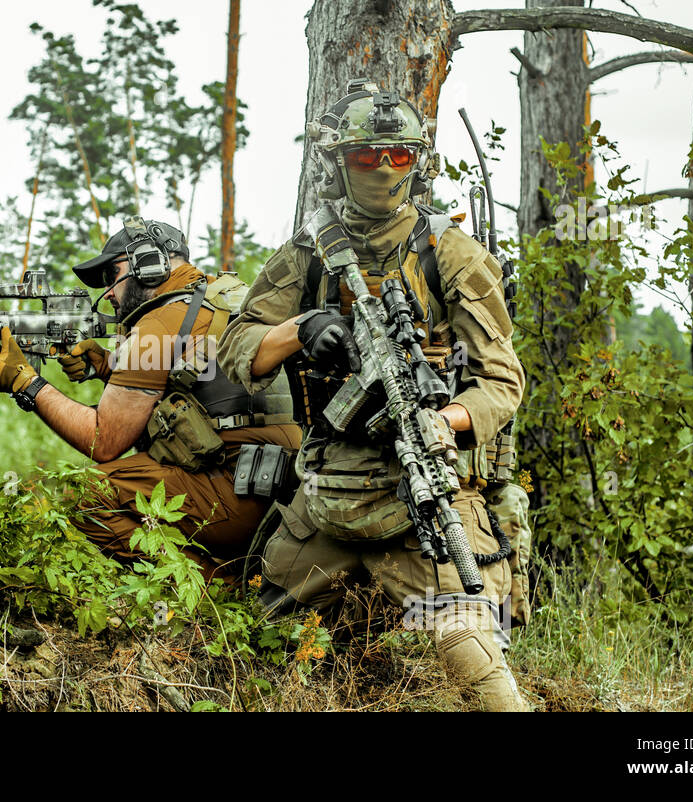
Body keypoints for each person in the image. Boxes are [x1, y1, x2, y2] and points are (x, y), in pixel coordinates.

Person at [215, 80, 530, 710]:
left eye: (399, 157)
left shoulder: (450, 254)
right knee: (252, 646)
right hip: (331, 489)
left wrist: (448, 421)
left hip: (422, 487)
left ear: (419, 163)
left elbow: (503, 380)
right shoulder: (308, 255)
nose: (383, 169)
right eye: (366, 156)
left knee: (467, 644)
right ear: (339, 161)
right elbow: (235, 351)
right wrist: (301, 330)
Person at [0, 218, 300, 578]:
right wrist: (107, 367)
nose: (108, 292)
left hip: (234, 496)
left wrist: (26, 383)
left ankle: (212, 589)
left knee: (84, 494)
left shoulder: (159, 321)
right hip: (282, 491)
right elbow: (202, 388)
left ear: (149, 261)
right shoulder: (227, 301)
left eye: (112, 275)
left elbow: (105, 441)